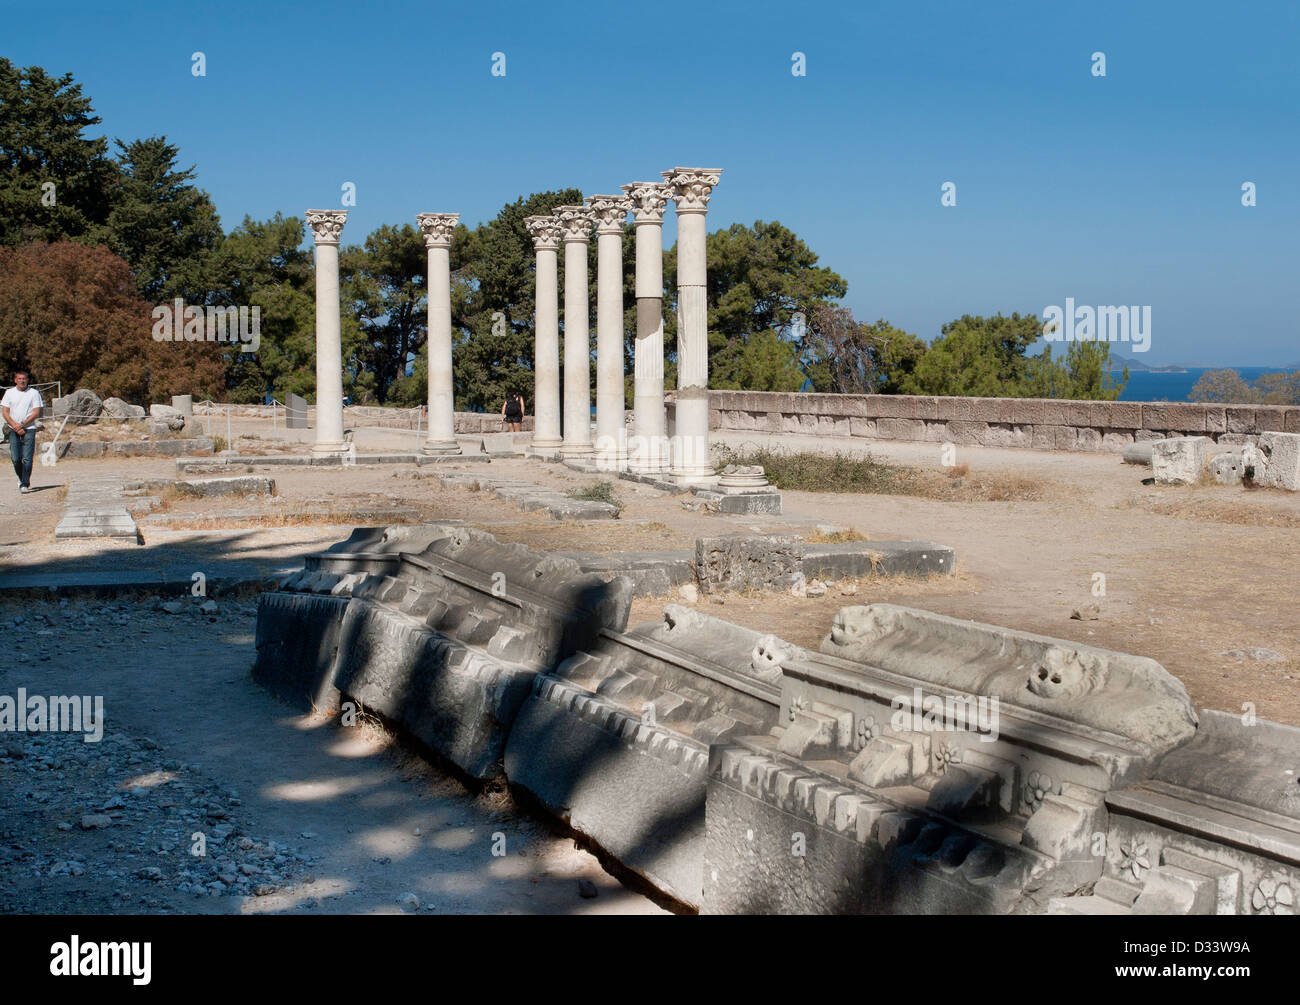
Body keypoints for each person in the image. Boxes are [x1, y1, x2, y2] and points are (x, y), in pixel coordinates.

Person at [2, 370, 43, 494]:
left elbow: (36, 412)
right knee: (15, 458)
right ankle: (21, 478)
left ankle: (25, 483)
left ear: (27, 380)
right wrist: (15, 425)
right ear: (15, 380)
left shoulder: (34, 393)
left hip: (29, 429)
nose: (22, 381)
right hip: (13, 428)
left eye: (24, 379)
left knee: (27, 458)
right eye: (19, 379)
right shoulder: (9, 393)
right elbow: (5, 412)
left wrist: (23, 424)